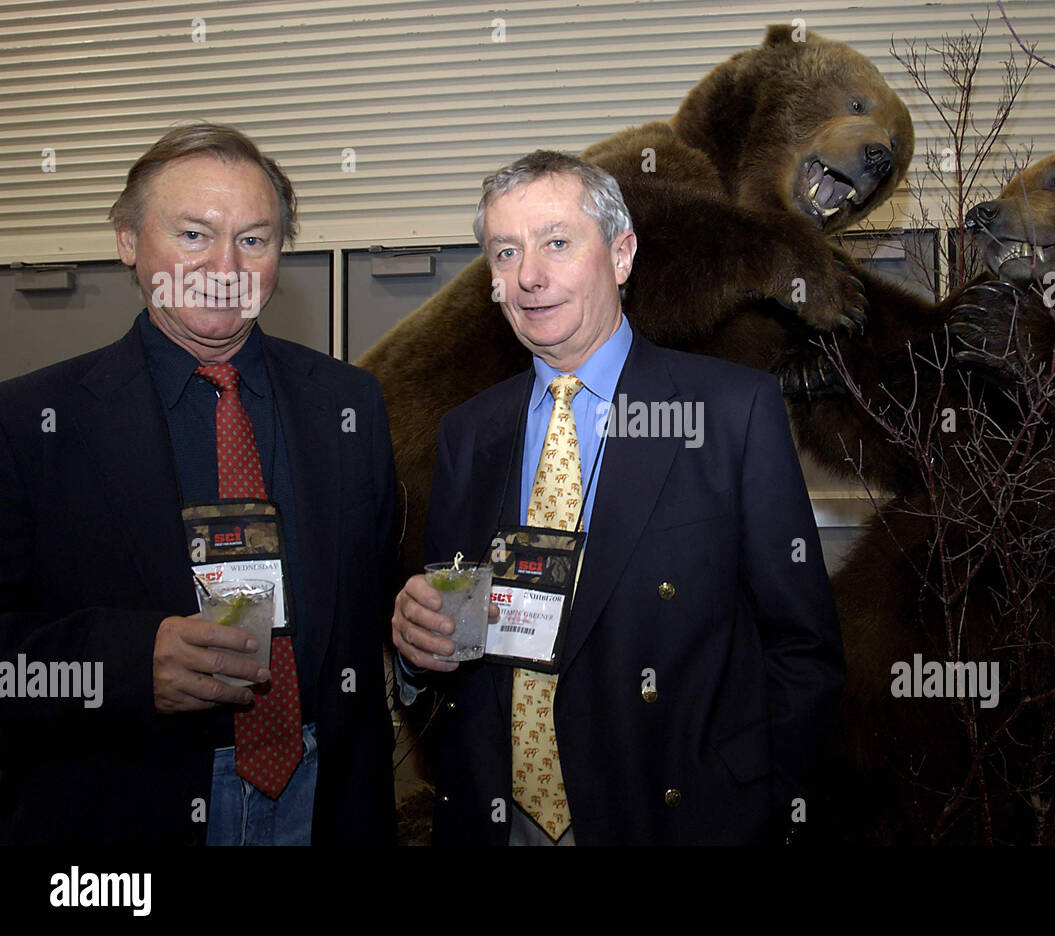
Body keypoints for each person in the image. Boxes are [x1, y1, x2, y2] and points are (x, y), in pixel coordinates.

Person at [391, 150, 843, 845]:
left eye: (557, 243)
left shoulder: (729, 411)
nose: (529, 276)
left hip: (673, 814)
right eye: (505, 252)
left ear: (622, 253)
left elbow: (802, 649)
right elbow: (462, 633)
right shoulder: (468, 434)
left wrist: (772, 813)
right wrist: (420, 652)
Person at [0, 123, 398, 845]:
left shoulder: (351, 405)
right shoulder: (29, 423)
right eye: (193, 234)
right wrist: (122, 665)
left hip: (327, 794)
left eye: (254, 239)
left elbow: (376, 599)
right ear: (128, 242)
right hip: (129, 809)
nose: (225, 265)